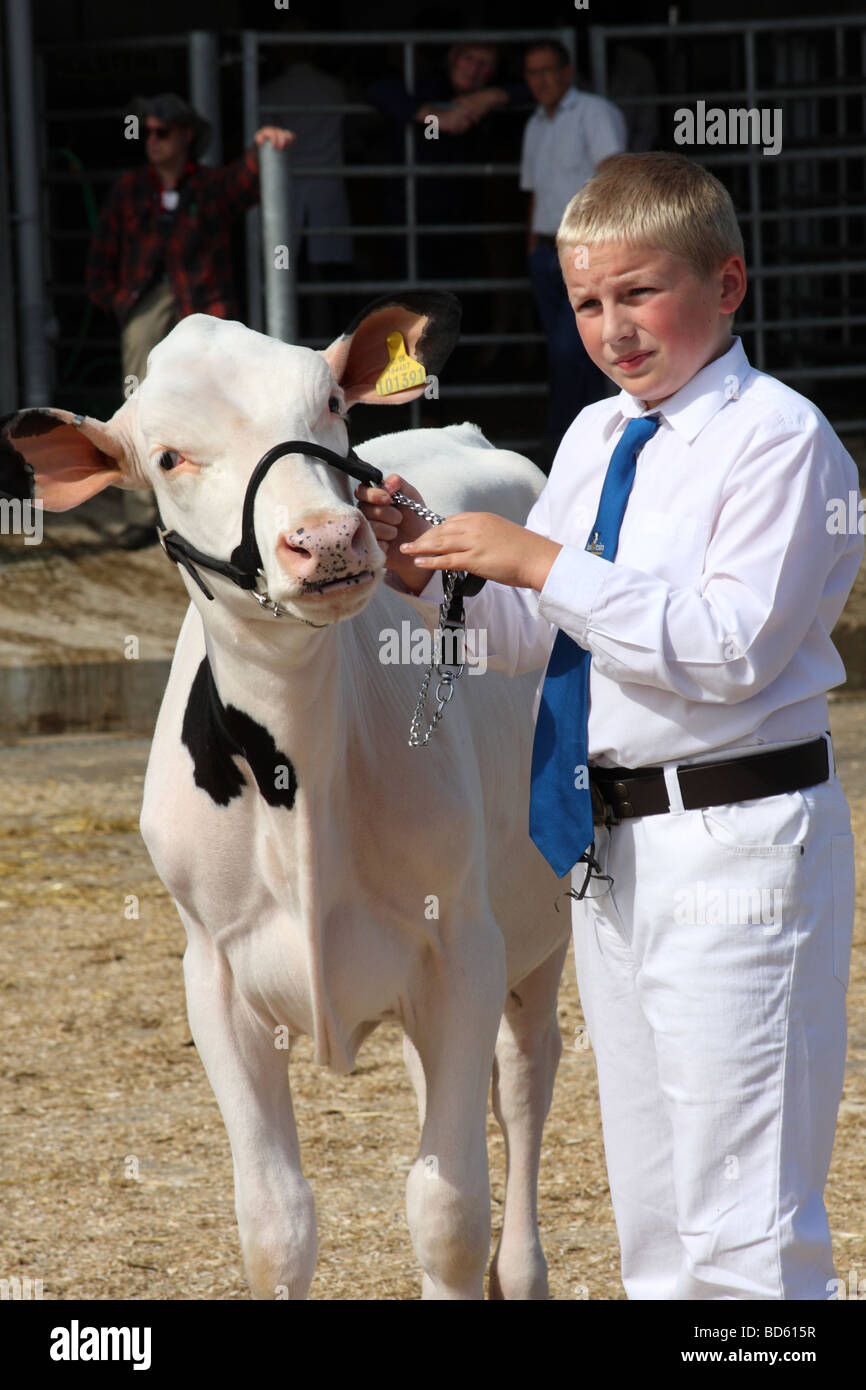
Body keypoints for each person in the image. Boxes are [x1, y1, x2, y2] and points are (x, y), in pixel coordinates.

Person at [356, 151, 864, 1300]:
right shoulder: (593, 437)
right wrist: (430, 575)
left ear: (725, 284)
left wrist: (536, 557)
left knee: (742, 1219)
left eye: (639, 292)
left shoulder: (777, 439)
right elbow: (545, 640)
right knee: (655, 1212)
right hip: (609, 843)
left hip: (736, 835)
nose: (610, 327)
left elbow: (730, 648)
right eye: (586, 301)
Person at [86, 93, 294, 548]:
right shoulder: (129, 189)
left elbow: (247, 184)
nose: (152, 141)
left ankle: (228, 506)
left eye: (163, 132)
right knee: (138, 405)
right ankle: (143, 515)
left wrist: (263, 148)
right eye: (147, 132)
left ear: (187, 137)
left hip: (205, 309)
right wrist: (119, 301)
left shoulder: (211, 185)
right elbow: (102, 252)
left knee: (220, 402)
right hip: (146, 304)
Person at [520, 40, 627, 464]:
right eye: (533, 73)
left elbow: (615, 174)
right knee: (568, 349)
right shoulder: (535, 123)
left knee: (575, 349)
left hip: (585, 250)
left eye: (548, 70)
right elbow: (534, 192)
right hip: (547, 250)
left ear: (568, 72)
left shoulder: (593, 113)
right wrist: (531, 244)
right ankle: (585, 443)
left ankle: (562, 443)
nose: (541, 80)